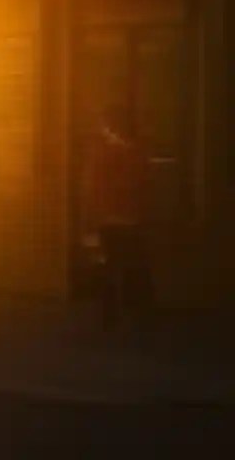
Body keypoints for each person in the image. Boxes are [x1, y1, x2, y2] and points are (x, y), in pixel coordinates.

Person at [83, 103, 153, 330]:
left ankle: (114, 314)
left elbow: (94, 186)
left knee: (110, 267)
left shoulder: (107, 153)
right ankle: (126, 313)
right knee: (127, 265)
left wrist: (90, 219)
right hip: (126, 220)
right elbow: (140, 184)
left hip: (110, 220)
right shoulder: (135, 152)